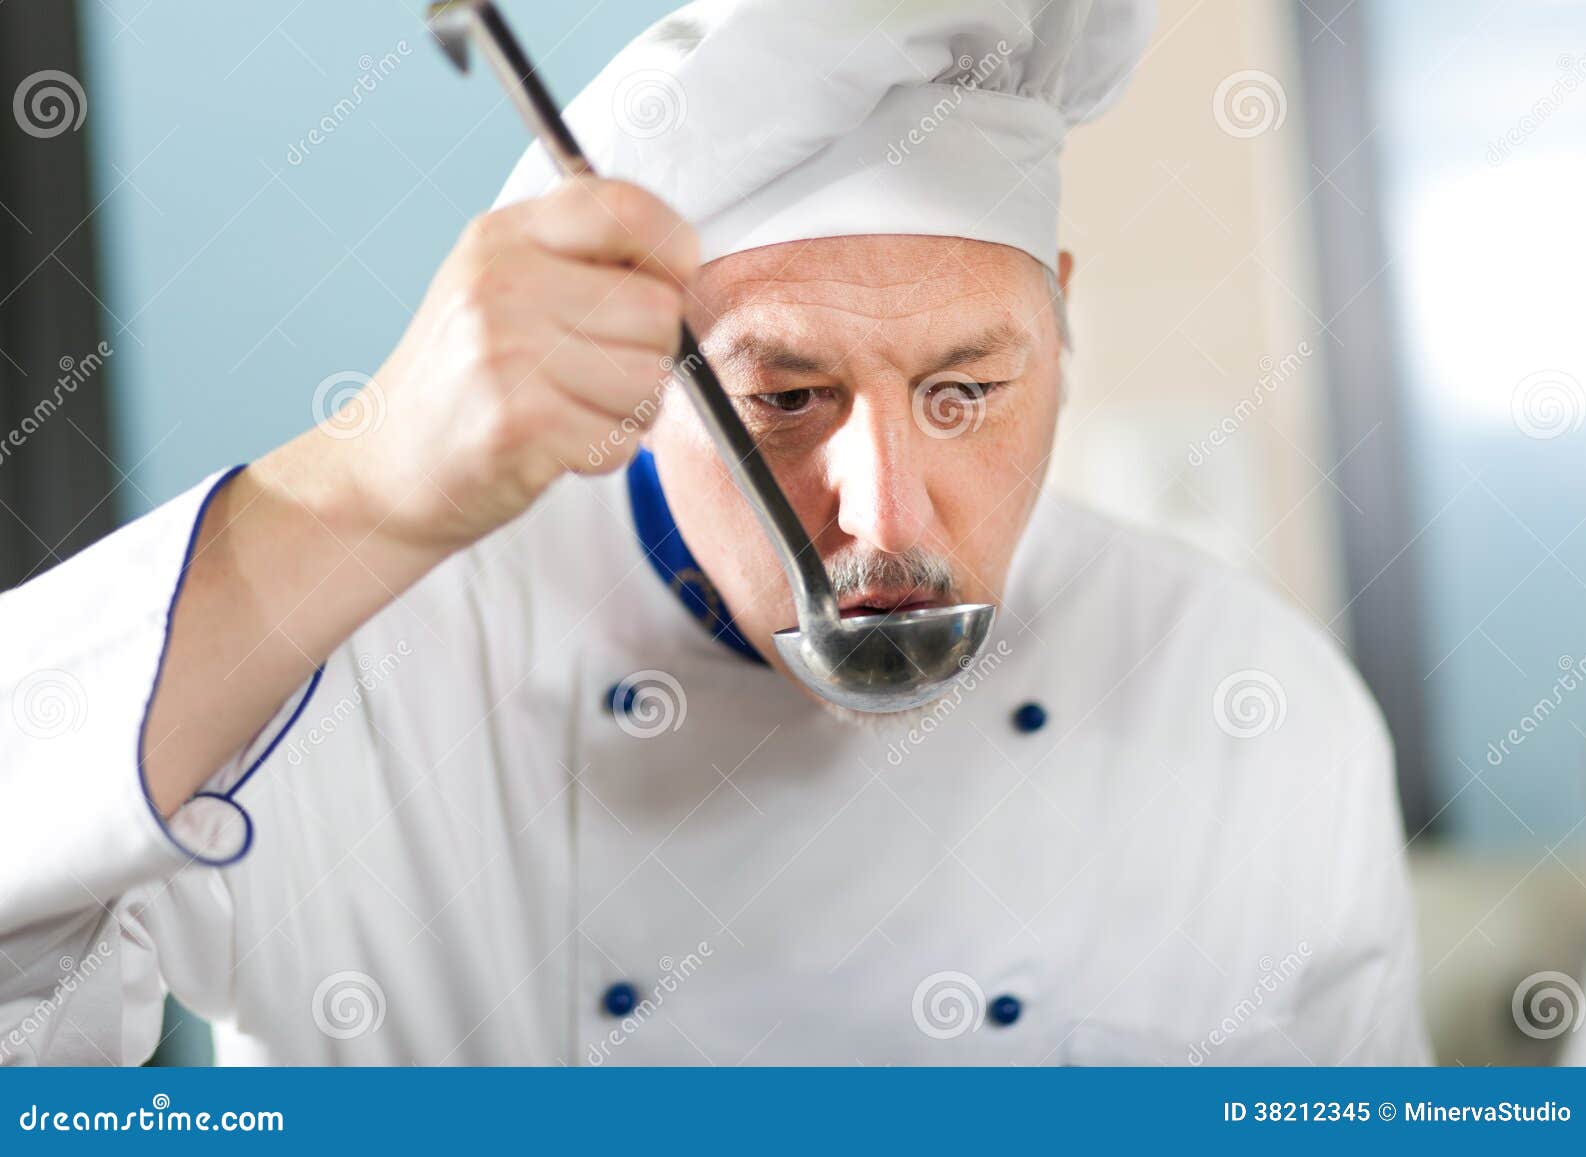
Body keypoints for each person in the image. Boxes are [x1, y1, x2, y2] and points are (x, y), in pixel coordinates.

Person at [0, 0, 1430, 1065]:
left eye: (967, 391)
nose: (887, 514)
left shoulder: (1263, 715)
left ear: (1061, 309)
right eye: (789, 394)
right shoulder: (371, 679)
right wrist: (362, 482)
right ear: (640, 368)